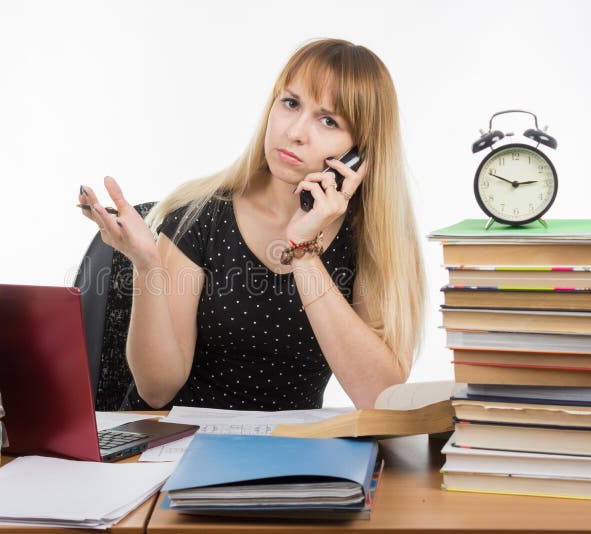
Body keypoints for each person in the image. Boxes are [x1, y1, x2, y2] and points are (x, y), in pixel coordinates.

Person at [78, 38, 425, 411]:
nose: (295, 131)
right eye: (290, 103)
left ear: (361, 153)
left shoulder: (375, 241)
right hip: (175, 445)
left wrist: (304, 252)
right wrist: (147, 266)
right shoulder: (200, 216)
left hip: (290, 455)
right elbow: (157, 390)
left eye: (328, 120)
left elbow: (377, 397)